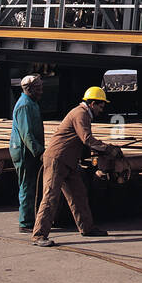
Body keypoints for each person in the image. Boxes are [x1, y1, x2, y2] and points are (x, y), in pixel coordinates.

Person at [30, 86, 122, 247]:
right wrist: (108, 149)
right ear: (93, 103)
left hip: (68, 162)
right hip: (57, 160)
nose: (102, 110)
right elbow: (87, 139)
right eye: (101, 106)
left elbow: (82, 142)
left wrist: (104, 149)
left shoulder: (83, 114)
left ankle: (87, 228)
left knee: (78, 195)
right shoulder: (81, 114)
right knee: (51, 196)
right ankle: (39, 235)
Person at [10, 74, 45, 234]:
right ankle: (25, 222)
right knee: (27, 186)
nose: (41, 91)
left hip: (29, 150)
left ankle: (30, 218)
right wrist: (40, 152)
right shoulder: (24, 105)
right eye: (38, 88)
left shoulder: (32, 103)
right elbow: (27, 135)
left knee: (31, 185)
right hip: (24, 152)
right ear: (29, 89)